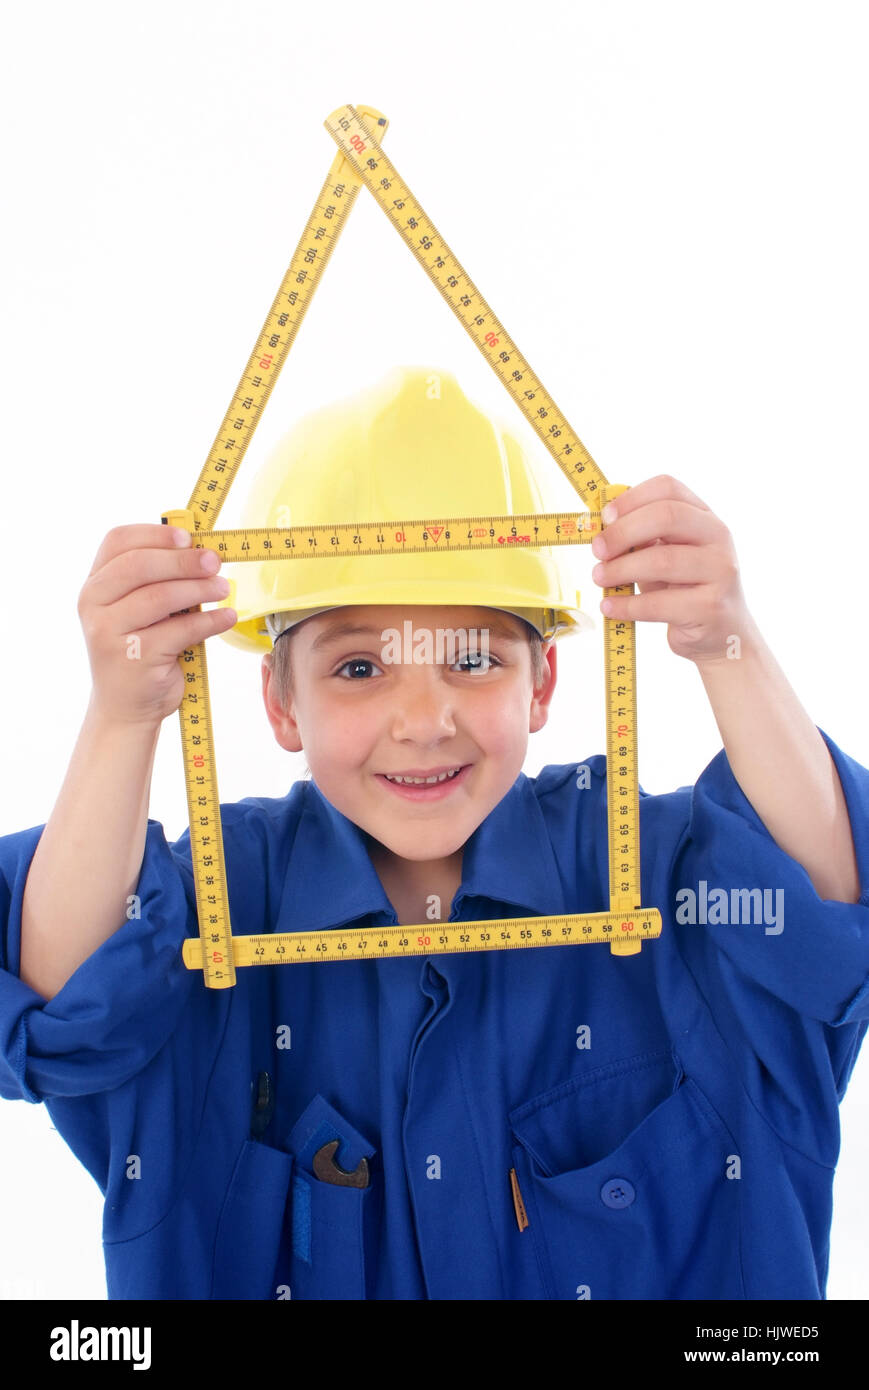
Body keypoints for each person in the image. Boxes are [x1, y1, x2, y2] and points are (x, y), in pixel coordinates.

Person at [1, 364, 867, 1300]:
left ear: (540, 687)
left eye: (471, 659)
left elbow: (829, 927)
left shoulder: (649, 880)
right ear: (279, 703)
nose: (423, 720)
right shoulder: (219, 900)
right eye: (360, 667)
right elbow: (61, 1008)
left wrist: (727, 643)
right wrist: (123, 716)